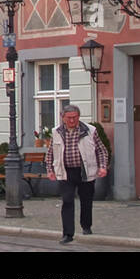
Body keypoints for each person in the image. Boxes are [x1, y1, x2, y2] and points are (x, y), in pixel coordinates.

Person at [45, 104, 109, 244]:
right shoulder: (56, 132)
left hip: (85, 170)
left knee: (86, 200)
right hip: (66, 172)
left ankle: (86, 226)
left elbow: (101, 150)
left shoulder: (90, 130)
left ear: (79, 117)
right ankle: (67, 234)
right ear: (63, 118)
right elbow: (50, 152)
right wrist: (50, 170)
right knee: (67, 201)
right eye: (69, 118)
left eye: (75, 117)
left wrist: (103, 167)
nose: (72, 121)